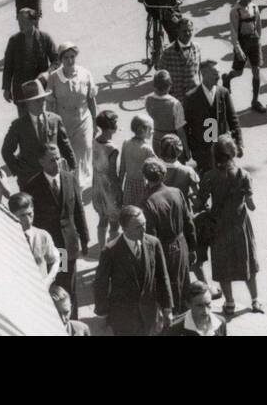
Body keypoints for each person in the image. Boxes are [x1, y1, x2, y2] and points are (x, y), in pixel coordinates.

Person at [197, 136, 262, 317]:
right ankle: (255, 300)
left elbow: (199, 204)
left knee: (223, 264)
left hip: (219, 226)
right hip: (240, 226)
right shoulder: (243, 175)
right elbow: (251, 205)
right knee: (247, 260)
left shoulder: (209, 177)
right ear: (233, 153)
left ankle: (230, 302)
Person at [27, 144, 90, 316]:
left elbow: (78, 210)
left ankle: (73, 324)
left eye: (58, 158)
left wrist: (84, 238)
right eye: (51, 160)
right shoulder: (33, 186)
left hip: (69, 244)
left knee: (71, 288)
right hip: (52, 248)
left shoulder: (70, 178)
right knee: (58, 290)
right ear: (41, 162)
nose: (56, 163)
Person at [94, 205, 174, 336]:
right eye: (138, 227)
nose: (144, 229)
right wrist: (103, 315)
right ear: (124, 229)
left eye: (144, 224)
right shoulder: (110, 251)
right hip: (123, 319)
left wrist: (167, 308)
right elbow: (100, 285)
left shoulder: (153, 243)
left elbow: (163, 277)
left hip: (149, 315)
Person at [141, 157, 197, 314]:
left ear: (145, 177)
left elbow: (149, 237)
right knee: (183, 282)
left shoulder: (147, 202)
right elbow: (188, 222)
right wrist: (192, 247)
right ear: (163, 175)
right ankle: (185, 316)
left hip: (164, 250)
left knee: (167, 288)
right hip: (182, 244)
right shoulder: (176, 192)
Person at [1, 77, 77, 189]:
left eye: (43, 99)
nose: (42, 103)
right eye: (37, 100)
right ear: (28, 104)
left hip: (53, 175)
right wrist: (19, 171)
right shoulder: (18, 126)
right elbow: (6, 151)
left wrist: (73, 166)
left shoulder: (55, 119)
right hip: (30, 180)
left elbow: (65, 145)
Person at [45, 43, 97, 188]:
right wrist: (50, 127)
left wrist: (95, 121)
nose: (70, 61)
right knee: (69, 155)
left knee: (84, 150)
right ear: (61, 59)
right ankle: (71, 184)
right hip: (64, 123)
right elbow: (49, 105)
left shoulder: (85, 74)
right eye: (66, 57)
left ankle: (79, 186)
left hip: (83, 120)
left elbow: (91, 99)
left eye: (72, 57)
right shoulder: (54, 78)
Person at [184, 61, 242, 174]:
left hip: (223, 149)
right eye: (215, 73)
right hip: (202, 152)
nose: (218, 76)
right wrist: (189, 150)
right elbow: (186, 126)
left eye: (218, 73)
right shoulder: (191, 97)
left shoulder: (223, 93)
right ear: (204, 73)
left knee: (225, 179)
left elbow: (233, 119)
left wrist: (239, 142)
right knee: (206, 179)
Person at [223, 0, 265, 113]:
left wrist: (258, 41)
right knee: (238, 72)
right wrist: (238, 49)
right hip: (242, 43)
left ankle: (255, 100)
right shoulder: (235, 11)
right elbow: (233, 33)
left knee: (256, 70)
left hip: (254, 41)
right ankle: (227, 78)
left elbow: (258, 25)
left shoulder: (254, 7)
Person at [0, 8, 57, 102]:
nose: (20, 25)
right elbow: (8, 66)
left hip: (41, 88)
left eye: (23, 21)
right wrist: (6, 88)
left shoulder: (44, 38)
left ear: (33, 21)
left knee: (41, 114)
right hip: (21, 90)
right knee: (24, 116)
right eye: (19, 21)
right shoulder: (14, 40)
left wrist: (48, 73)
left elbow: (56, 60)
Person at [9, 192, 60, 282]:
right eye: (22, 216)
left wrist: (49, 279)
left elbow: (55, 260)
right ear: (12, 215)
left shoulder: (43, 235)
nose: (28, 220)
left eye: (30, 214)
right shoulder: (8, 238)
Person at [92, 110, 123, 249]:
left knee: (102, 219)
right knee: (114, 222)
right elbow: (112, 174)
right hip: (109, 188)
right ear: (111, 126)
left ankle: (102, 249)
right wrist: (119, 192)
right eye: (115, 122)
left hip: (97, 185)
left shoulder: (95, 141)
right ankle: (113, 252)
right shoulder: (113, 148)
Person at [145, 70, 188, 158]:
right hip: (172, 143)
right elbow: (180, 130)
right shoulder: (175, 103)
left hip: (156, 140)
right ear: (169, 86)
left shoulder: (148, 100)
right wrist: (186, 149)